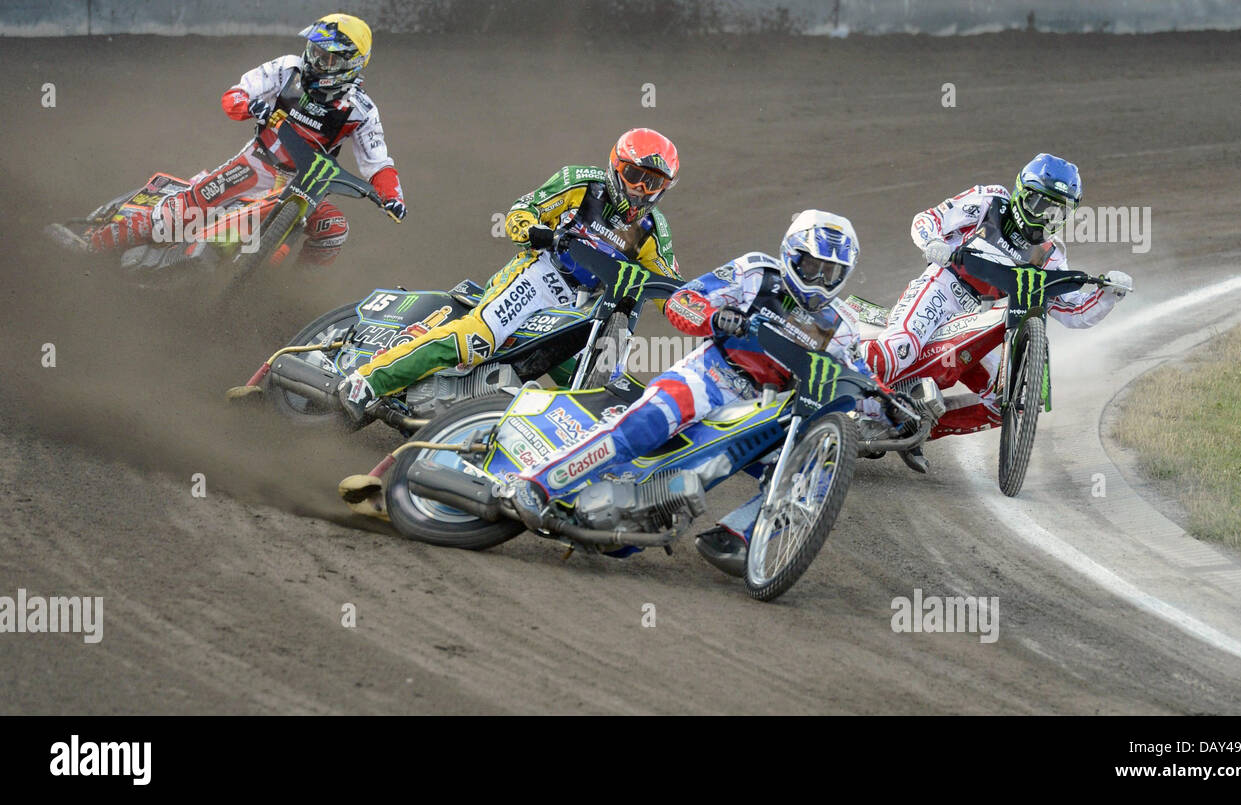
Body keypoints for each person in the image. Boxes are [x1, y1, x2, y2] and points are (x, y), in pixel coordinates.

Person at [505, 210, 912, 577]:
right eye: (812, 266)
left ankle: (738, 536)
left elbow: (856, 378)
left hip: (767, 408)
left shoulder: (840, 327)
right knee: (646, 425)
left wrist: (893, 407)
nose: (820, 279)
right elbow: (684, 300)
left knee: (815, 476)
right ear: (791, 254)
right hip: (712, 373)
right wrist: (716, 315)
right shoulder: (757, 272)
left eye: (832, 272)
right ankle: (540, 484)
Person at [337, 128, 682, 420]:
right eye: (635, 176)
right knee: (476, 339)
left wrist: (697, 309)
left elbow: (668, 288)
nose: (642, 189)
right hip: (538, 275)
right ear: (615, 167)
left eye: (654, 182)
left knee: (595, 388)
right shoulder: (581, 183)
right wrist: (536, 230)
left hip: (583, 311)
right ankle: (367, 381)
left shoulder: (654, 230)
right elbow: (523, 209)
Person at [859, 154, 1133, 472]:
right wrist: (932, 242)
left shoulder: (1052, 255)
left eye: (1058, 210)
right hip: (942, 288)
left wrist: (1109, 295)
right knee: (899, 348)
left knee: (1003, 403)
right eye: (1039, 203)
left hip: (985, 319)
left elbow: (1073, 311)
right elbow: (928, 218)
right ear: (1021, 193)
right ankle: (838, 391)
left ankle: (912, 428)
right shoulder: (991, 200)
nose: (1046, 216)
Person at [80, 13, 405, 264]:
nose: (318, 61)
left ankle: (297, 287)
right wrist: (251, 106)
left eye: (329, 58)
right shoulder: (287, 68)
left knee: (333, 230)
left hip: (308, 185)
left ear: (352, 63)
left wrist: (393, 197)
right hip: (256, 165)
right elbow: (234, 94)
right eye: (316, 51)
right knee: (178, 215)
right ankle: (93, 246)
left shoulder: (361, 110)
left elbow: (378, 164)